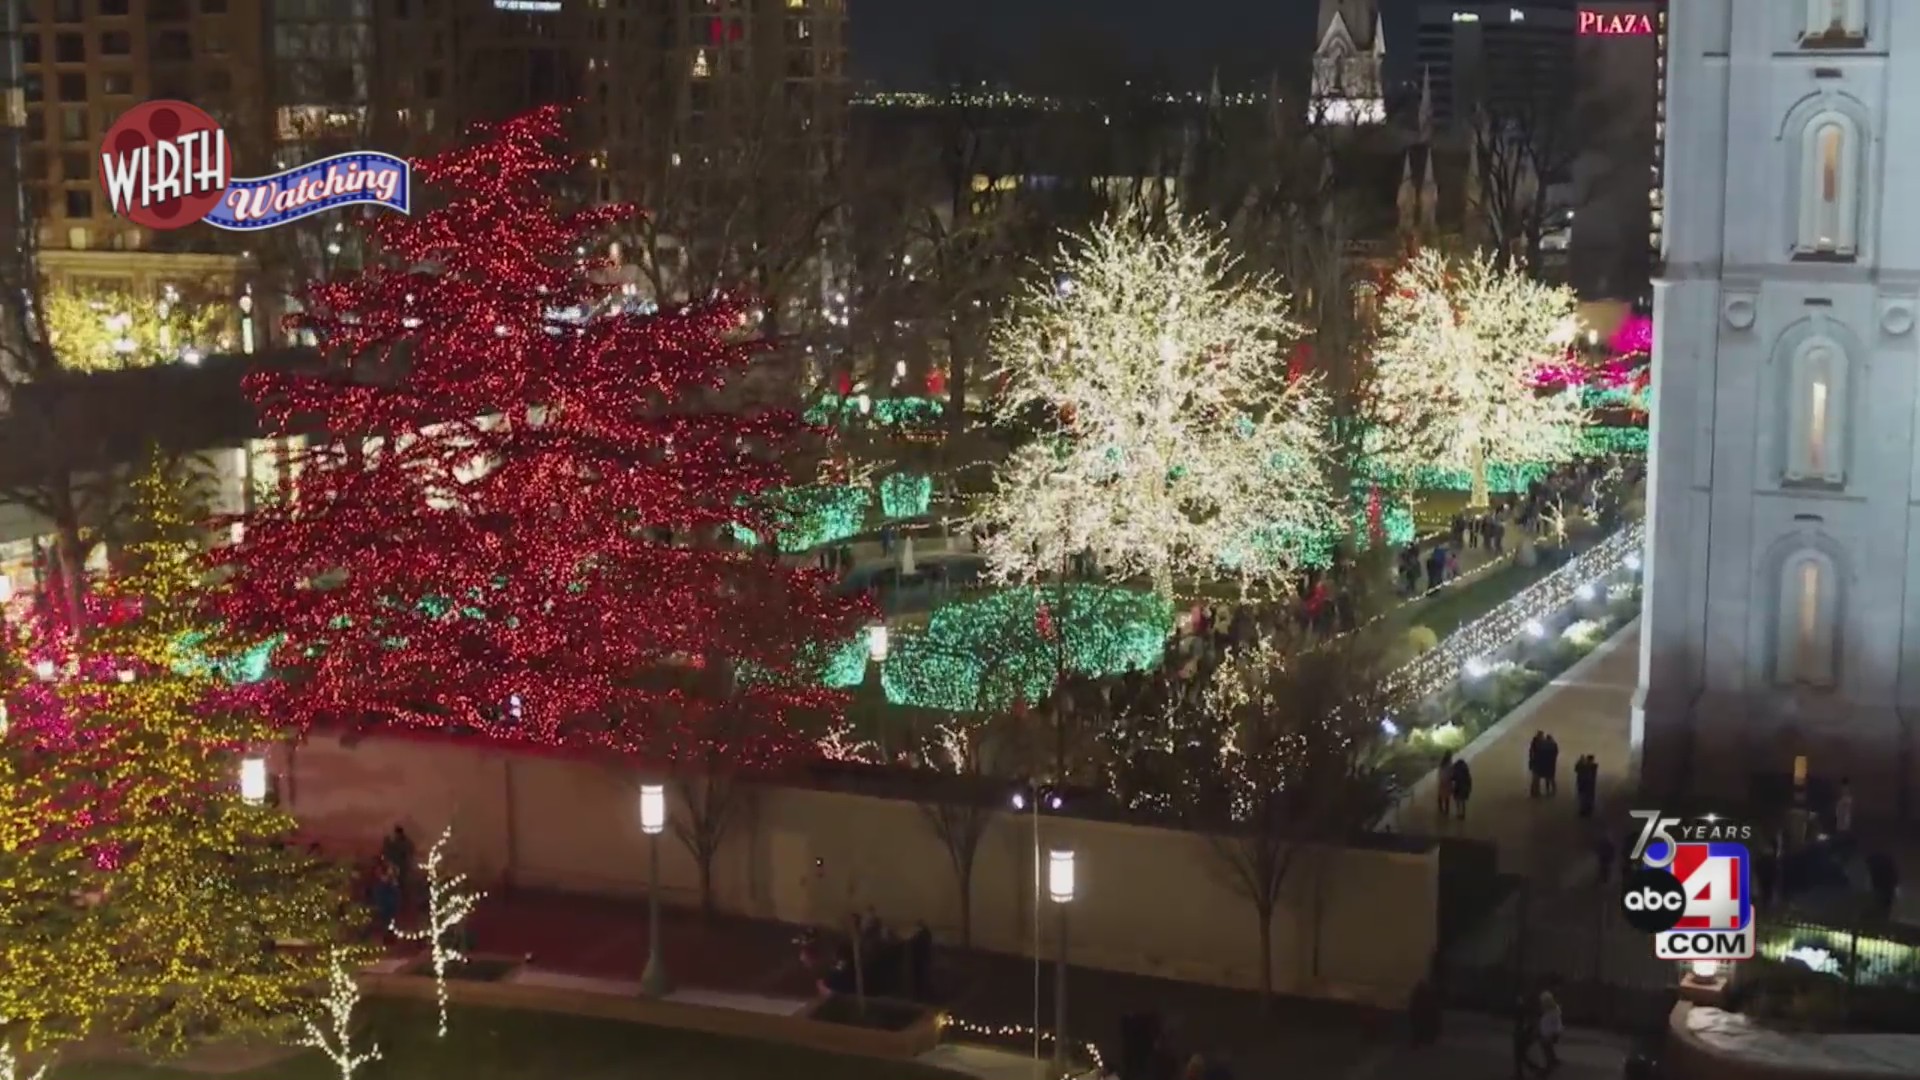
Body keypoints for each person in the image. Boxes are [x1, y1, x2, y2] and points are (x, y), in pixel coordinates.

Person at [1536, 990, 1564, 1075]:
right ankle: (1550, 1065)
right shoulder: (1547, 1009)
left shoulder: (1554, 1010)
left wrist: (1554, 1034)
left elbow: (1557, 1024)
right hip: (1545, 1034)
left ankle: (1546, 1069)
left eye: (1543, 1001)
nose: (1542, 1003)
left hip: (1548, 1035)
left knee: (1546, 1051)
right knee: (1546, 1051)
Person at [1573, 754, 1599, 818]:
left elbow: (1576, 769)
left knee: (1583, 796)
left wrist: (1580, 761)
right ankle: (1588, 808)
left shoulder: (1585, 766)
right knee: (1587, 796)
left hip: (1583, 783)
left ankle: (1584, 809)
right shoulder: (1593, 766)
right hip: (1589, 784)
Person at [1449, 756, 1473, 821]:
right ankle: (1463, 814)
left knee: (1458, 801)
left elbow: (1453, 778)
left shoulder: (1456, 770)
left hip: (1458, 787)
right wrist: (1469, 788)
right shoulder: (1466, 772)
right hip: (1464, 788)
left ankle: (1458, 813)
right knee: (1463, 802)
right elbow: (1469, 781)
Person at [1436, 751, 1455, 821]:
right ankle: (1446, 810)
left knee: (1441, 794)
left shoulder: (1442, 763)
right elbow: (1451, 773)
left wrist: (1441, 778)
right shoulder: (1450, 764)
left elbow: (1439, 772)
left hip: (1442, 781)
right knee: (1447, 796)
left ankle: (1440, 807)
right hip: (1447, 781)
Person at [1527, 733, 1546, 798]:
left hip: (1535, 763)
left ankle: (1535, 792)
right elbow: (1533, 755)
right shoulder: (1537, 746)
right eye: (1542, 736)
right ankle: (1535, 792)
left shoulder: (1535, 744)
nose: (1543, 738)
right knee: (1536, 778)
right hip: (1536, 763)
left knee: (1536, 778)